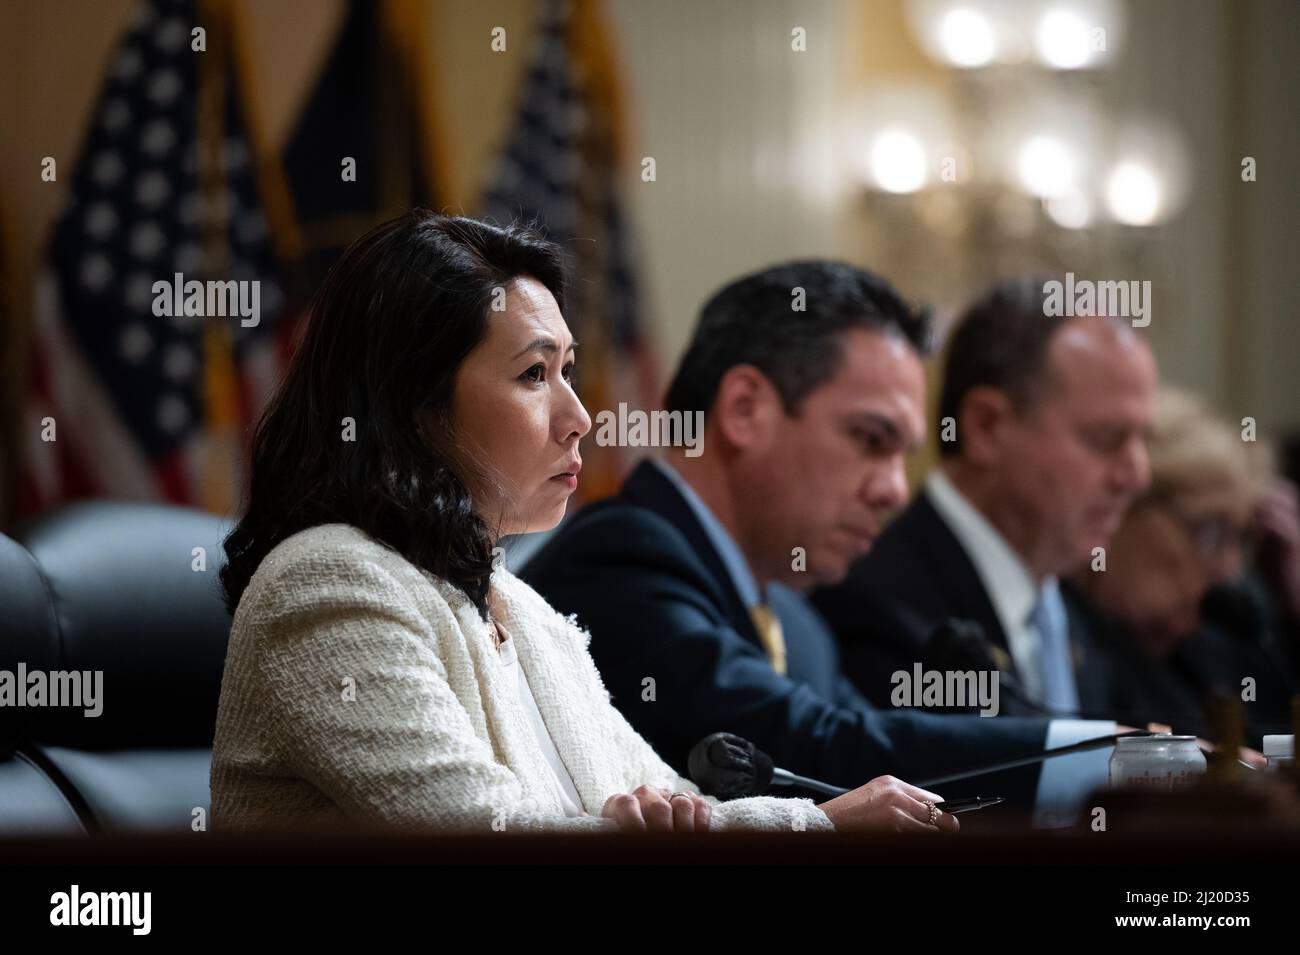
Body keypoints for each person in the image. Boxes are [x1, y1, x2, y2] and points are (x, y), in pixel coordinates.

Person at [210, 211, 956, 836]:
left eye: (569, 369)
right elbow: (487, 830)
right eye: (535, 375)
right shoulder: (327, 580)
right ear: (416, 405)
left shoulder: (522, 610)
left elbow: (678, 803)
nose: (579, 416)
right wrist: (819, 824)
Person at [522, 262, 1119, 822]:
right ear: (745, 409)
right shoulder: (620, 555)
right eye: (869, 439)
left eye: (902, 455)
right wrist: (1102, 757)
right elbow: (815, 746)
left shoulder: (794, 619)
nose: (893, 490)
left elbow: (868, 744)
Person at [811, 278, 1157, 720]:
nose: (1138, 476)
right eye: (1106, 439)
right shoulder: (874, 610)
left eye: (1144, 440)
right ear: (986, 427)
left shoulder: (1086, 613)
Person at [1065, 388, 1300, 744]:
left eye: (1240, 540)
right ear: (1122, 504)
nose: (1228, 568)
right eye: (1209, 531)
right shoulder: (1054, 640)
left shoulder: (1215, 649)